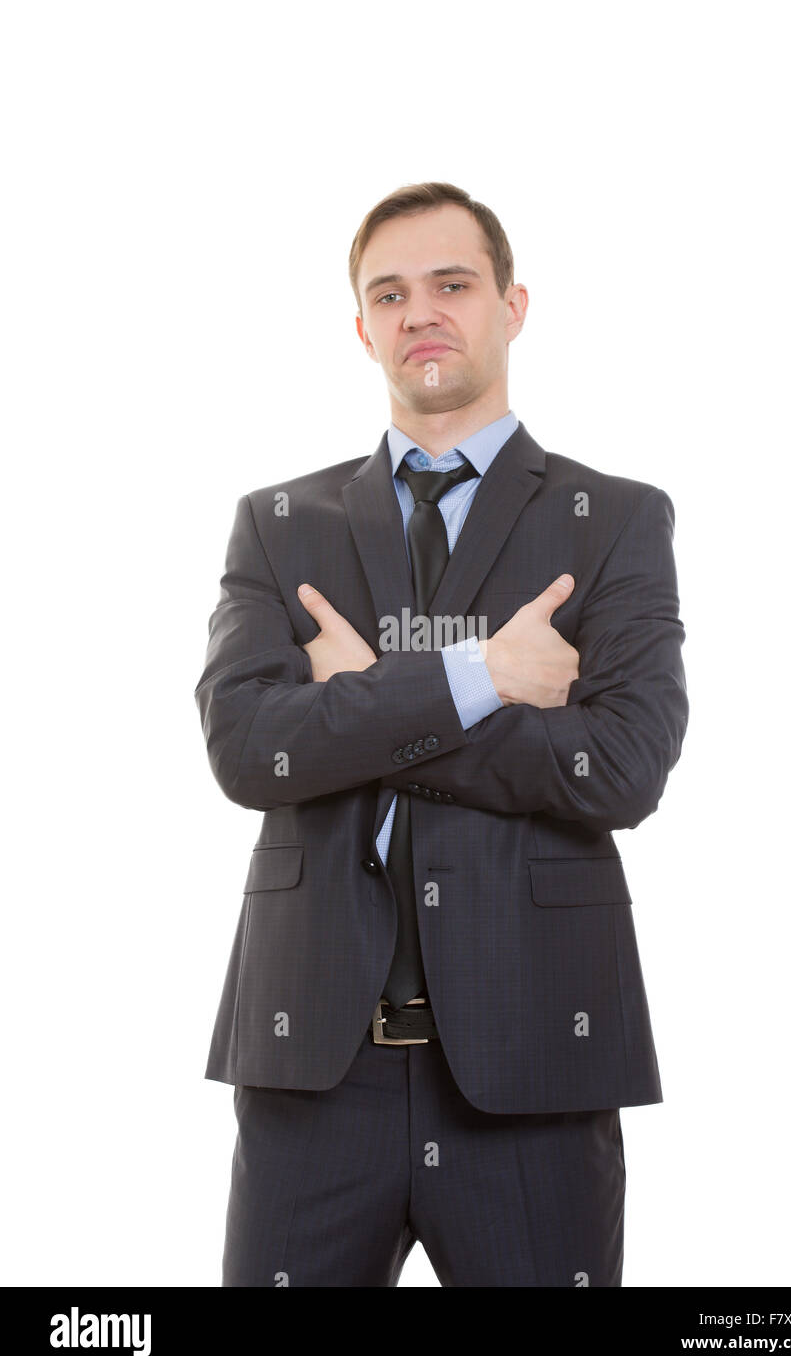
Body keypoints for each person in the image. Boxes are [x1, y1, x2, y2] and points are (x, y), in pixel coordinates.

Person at [194, 180, 688, 1287]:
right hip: (313, 1063)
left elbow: (617, 767)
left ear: (513, 305)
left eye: (451, 284)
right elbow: (244, 745)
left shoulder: (612, 522)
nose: (420, 311)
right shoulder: (280, 529)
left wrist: (363, 700)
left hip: (529, 1057)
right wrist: (475, 676)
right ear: (359, 326)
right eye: (389, 292)